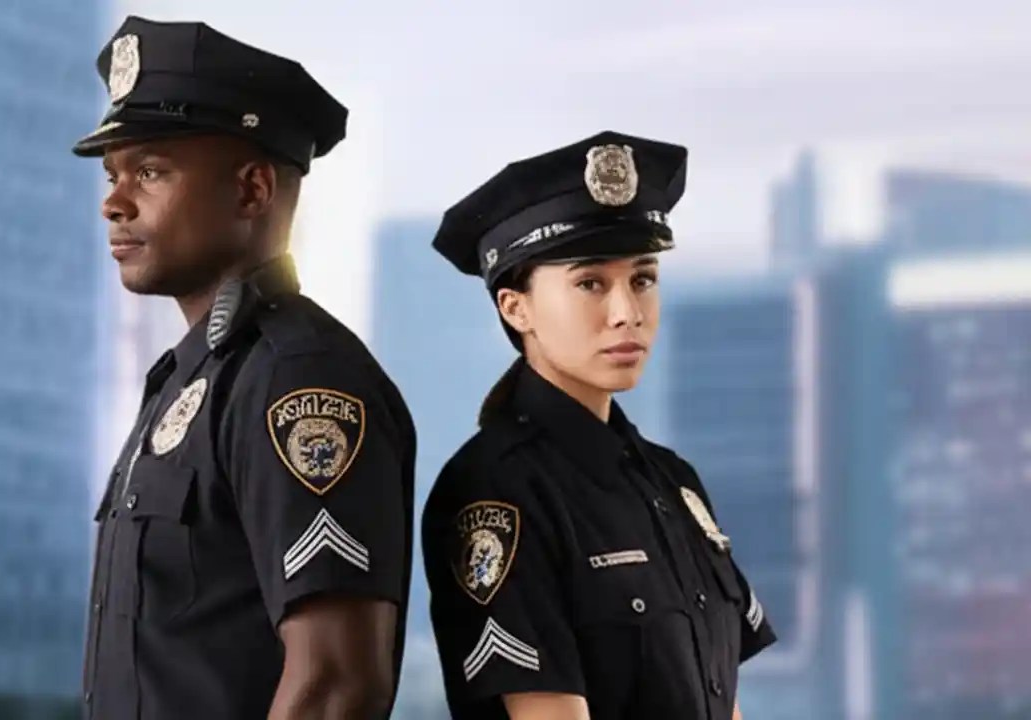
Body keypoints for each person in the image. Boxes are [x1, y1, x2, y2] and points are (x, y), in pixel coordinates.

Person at [72, 17, 415, 719]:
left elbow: (336, 685)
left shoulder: (299, 380)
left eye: (151, 172)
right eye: (112, 175)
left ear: (252, 190)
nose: (114, 202)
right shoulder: (192, 378)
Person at [422, 131, 776, 719]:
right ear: (516, 307)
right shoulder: (497, 490)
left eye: (643, 279)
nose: (627, 313)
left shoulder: (672, 482)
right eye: (590, 283)